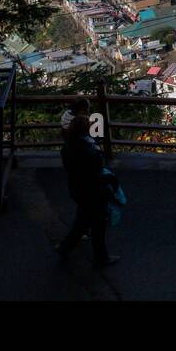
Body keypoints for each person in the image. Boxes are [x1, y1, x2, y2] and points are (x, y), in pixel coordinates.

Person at [56, 114, 120, 267]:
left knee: (83, 221)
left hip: (77, 189)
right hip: (92, 191)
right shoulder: (88, 150)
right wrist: (111, 180)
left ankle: (65, 247)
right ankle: (100, 257)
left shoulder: (68, 146)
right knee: (98, 223)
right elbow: (94, 174)